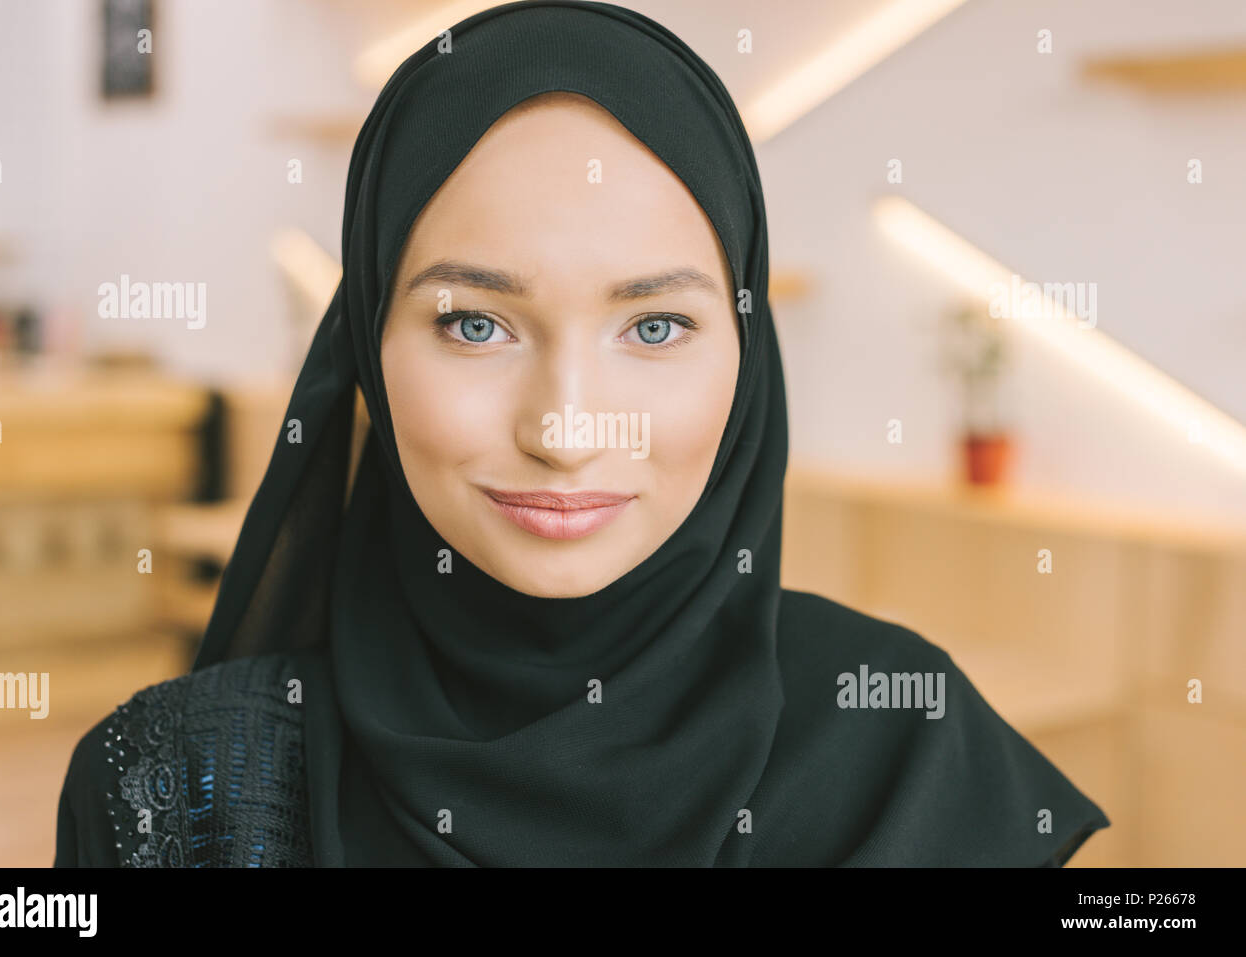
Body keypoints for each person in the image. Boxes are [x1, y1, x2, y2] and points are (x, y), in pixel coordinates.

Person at [54, 0, 1109, 867]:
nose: (563, 429)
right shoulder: (175, 790)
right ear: (368, 347)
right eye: (475, 324)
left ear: (746, 356)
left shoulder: (908, 756)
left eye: (654, 326)